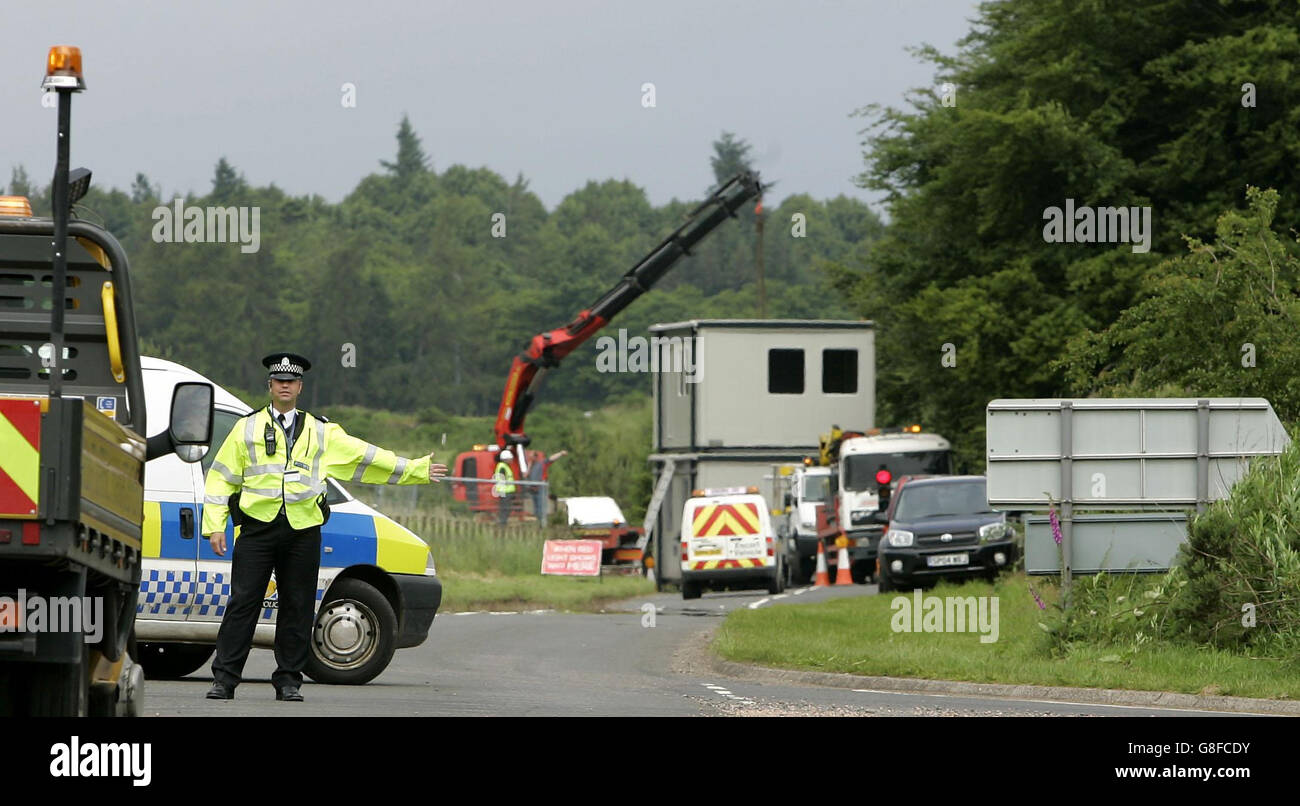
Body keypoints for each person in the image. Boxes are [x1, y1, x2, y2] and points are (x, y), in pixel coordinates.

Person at [201, 351, 447, 702]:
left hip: (302, 531)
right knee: (243, 603)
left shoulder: (322, 431)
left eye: (291, 381)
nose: (284, 386)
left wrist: (416, 470)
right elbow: (220, 479)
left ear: (299, 387)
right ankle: (224, 680)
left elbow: (366, 457)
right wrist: (214, 526)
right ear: (270, 385)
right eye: (279, 381)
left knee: (298, 605)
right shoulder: (247, 428)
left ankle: (288, 681)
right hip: (257, 529)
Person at [526, 449, 567, 521]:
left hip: (540, 488)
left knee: (540, 506)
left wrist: (560, 453)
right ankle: (539, 522)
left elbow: (551, 458)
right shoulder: (529, 466)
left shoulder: (541, 463)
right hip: (532, 489)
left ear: (535, 457)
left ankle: (542, 522)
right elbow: (526, 475)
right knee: (536, 508)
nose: (530, 458)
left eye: (531, 457)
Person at [492, 450, 516, 526]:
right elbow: (502, 479)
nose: (512, 460)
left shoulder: (504, 466)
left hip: (506, 491)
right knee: (505, 509)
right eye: (510, 458)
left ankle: (502, 523)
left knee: (506, 509)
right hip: (505, 491)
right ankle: (502, 524)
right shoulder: (502, 467)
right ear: (506, 459)